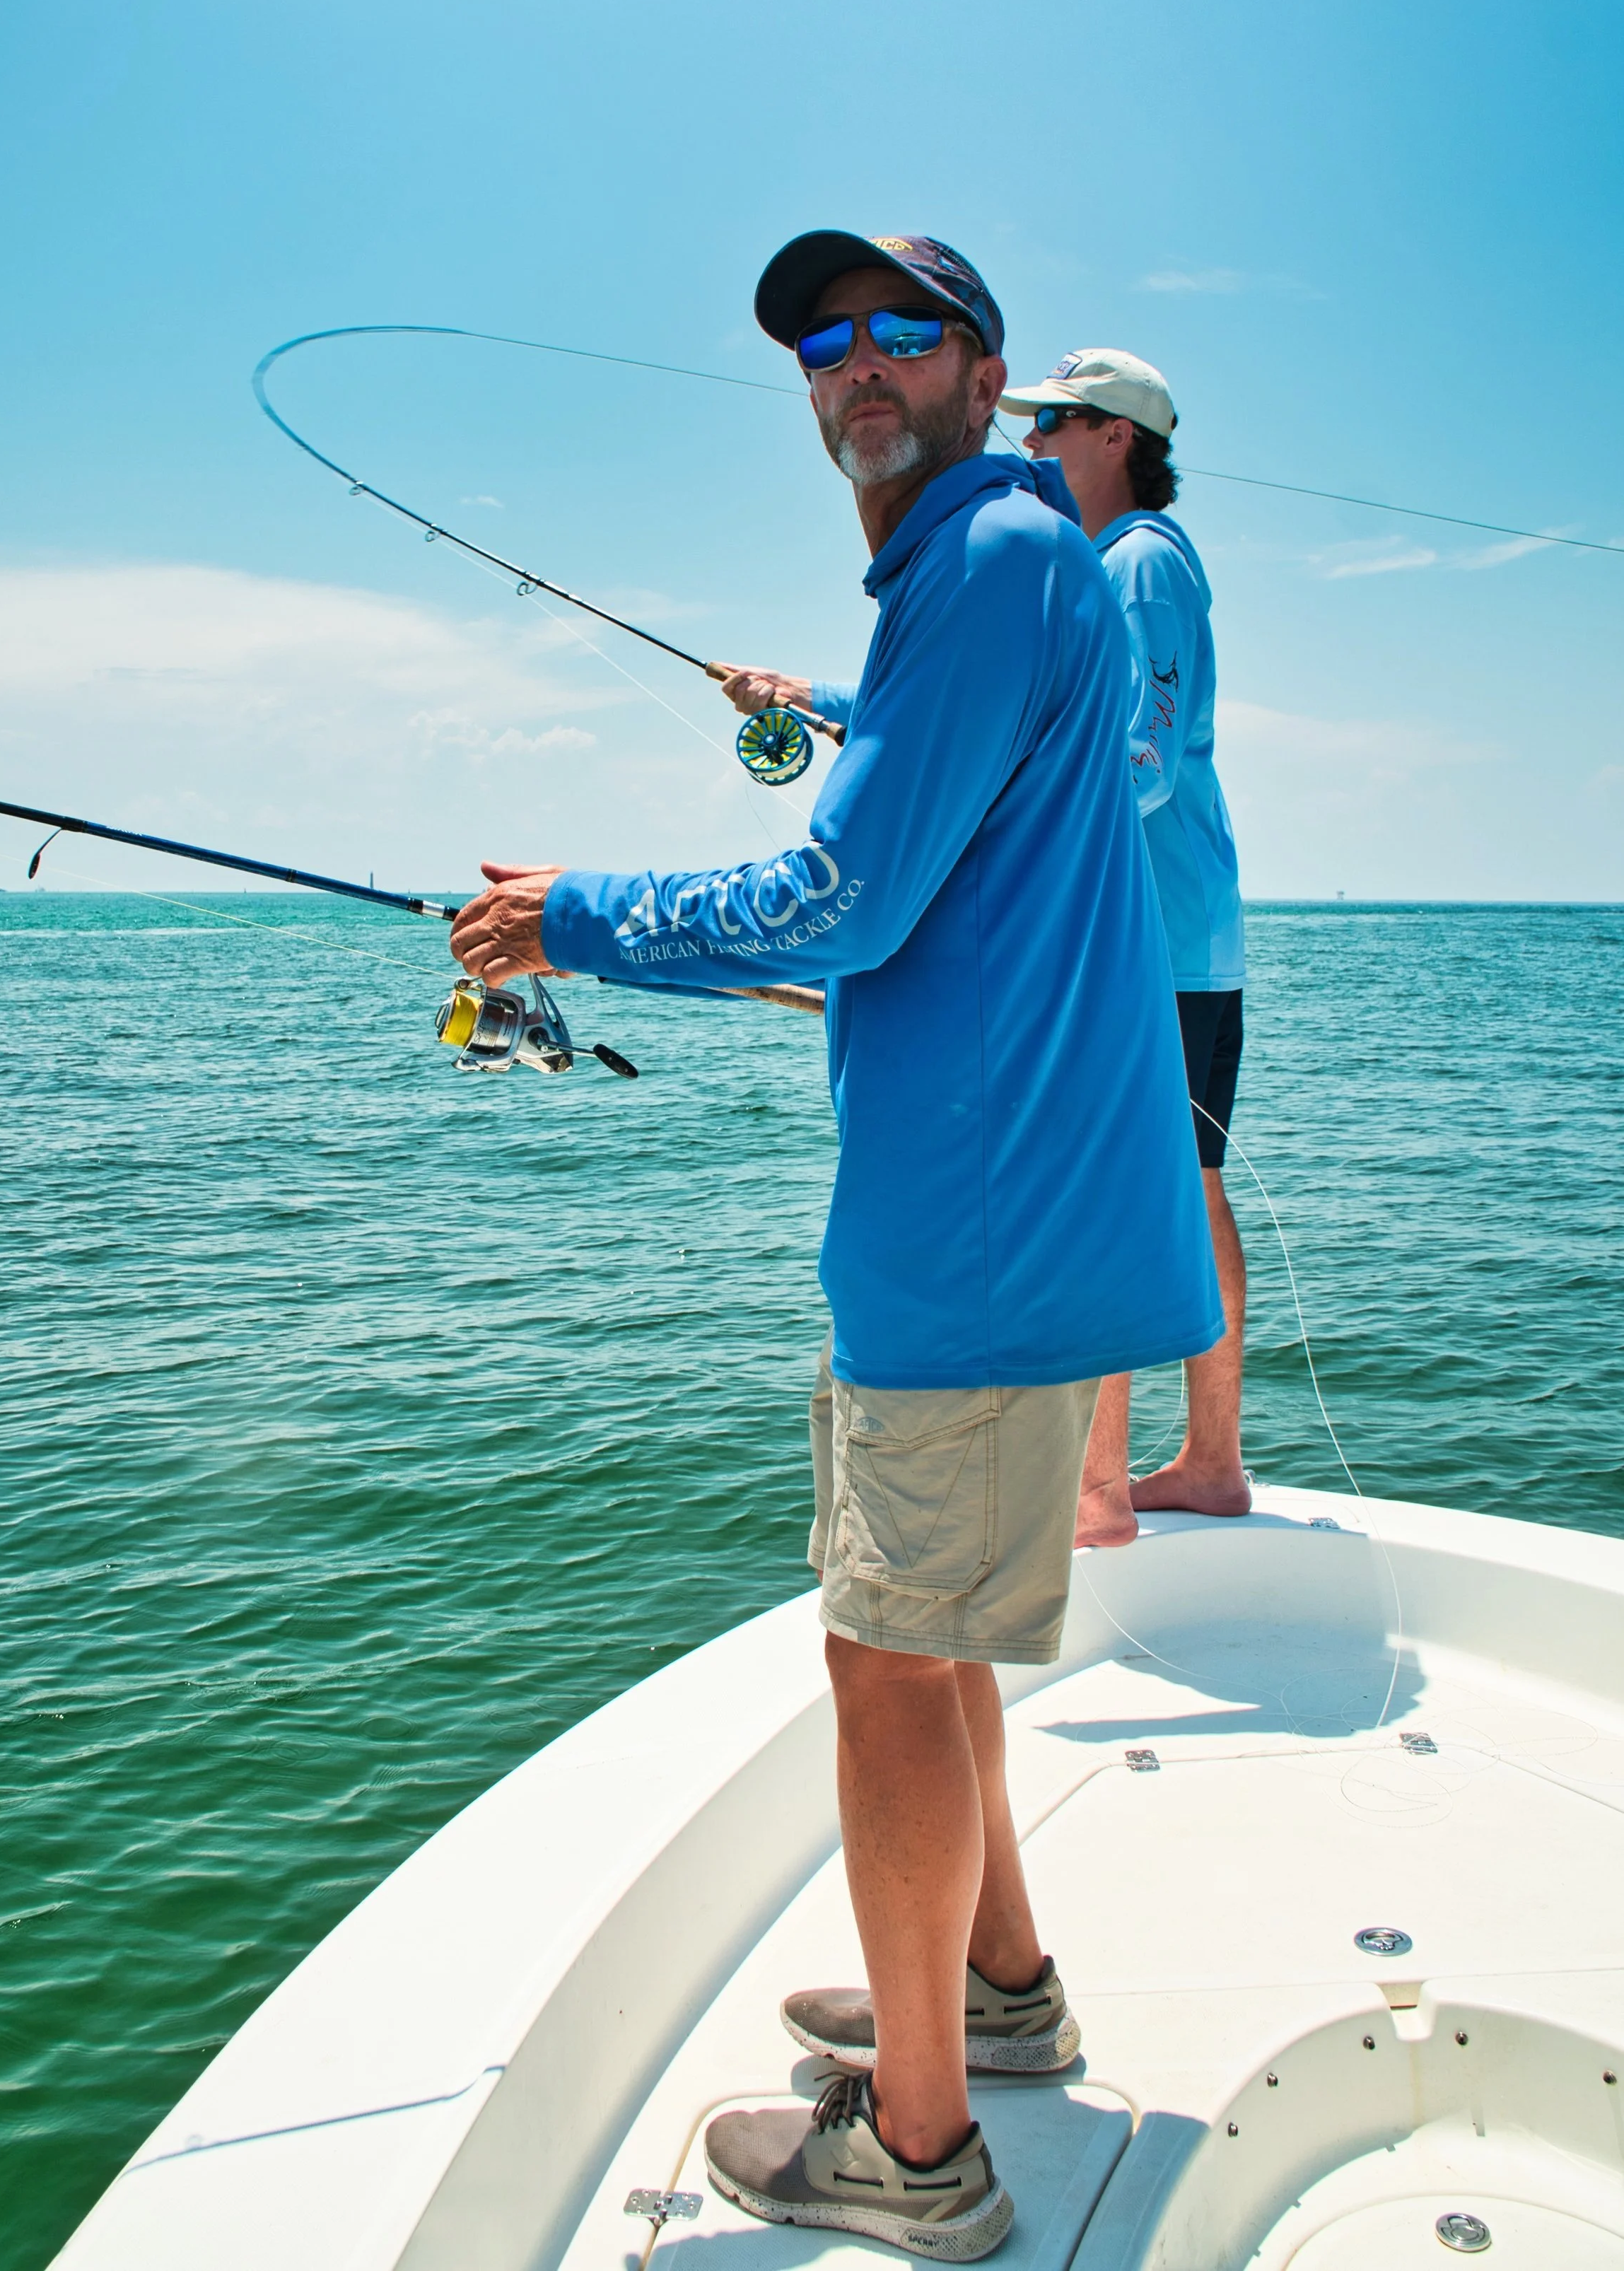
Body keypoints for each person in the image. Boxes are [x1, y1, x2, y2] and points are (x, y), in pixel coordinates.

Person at [450, 233, 1221, 2262]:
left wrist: (575, 914)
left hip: (970, 1229)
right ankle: (995, 1990)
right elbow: (934, 847)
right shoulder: (1005, 561)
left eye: (904, 331)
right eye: (822, 338)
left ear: (980, 374)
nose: (855, 362)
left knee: (883, 1652)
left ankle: (922, 2146)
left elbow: (840, 896)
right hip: (1023, 1202)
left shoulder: (980, 554)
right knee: (933, 1627)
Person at [1002, 350, 1249, 1548]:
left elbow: (1136, 764)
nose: (1031, 443)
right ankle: (1208, 1464)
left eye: (1048, 422)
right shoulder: (1118, 566)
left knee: (1116, 1196)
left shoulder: (1138, 563)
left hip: (1149, 947)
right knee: (1186, 1192)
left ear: (1113, 435)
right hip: (1182, 938)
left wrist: (995, 820)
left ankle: (1100, 1496)